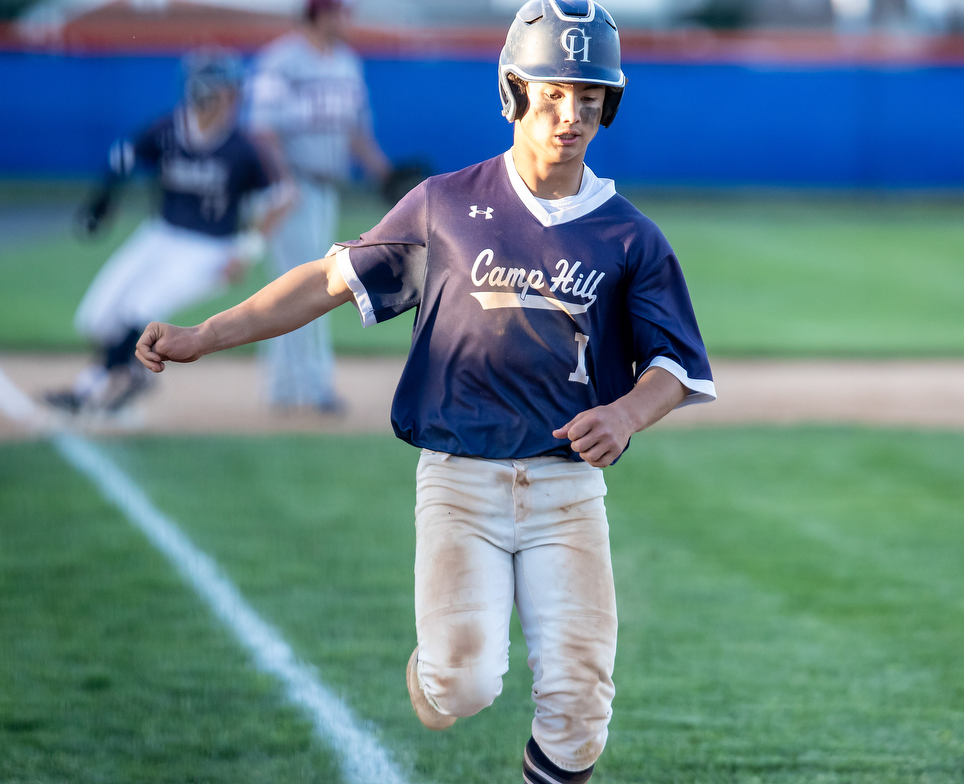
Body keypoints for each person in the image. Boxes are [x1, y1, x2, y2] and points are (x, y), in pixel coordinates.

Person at [136, 1, 717, 780]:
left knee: (581, 709)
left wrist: (627, 412)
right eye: (551, 93)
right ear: (513, 92)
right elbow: (326, 282)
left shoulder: (628, 235)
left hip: (568, 492)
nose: (569, 115)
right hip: (460, 483)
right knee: (463, 684)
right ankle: (433, 671)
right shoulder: (446, 205)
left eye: (587, 97)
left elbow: (675, 364)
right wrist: (206, 334)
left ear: (607, 105)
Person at [43, 49, 292, 416]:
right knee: (96, 318)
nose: (233, 99)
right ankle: (132, 375)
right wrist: (102, 204)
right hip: (161, 234)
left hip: (210, 248)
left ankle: (88, 390)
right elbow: (122, 158)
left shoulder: (241, 147)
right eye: (227, 90)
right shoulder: (169, 130)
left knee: (139, 310)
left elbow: (282, 199)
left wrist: (247, 250)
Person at [245, 0, 394, 413]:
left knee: (296, 286)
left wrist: (384, 173)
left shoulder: (347, 63)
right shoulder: (281, 61)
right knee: (308, 287)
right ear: (320, 14)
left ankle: (282, 386)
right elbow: (261, 129)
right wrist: (284, 184)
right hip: (290, 188)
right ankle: (311, 386)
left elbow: (356, 132)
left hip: (326, 189)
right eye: (340, 12)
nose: (347, 18)